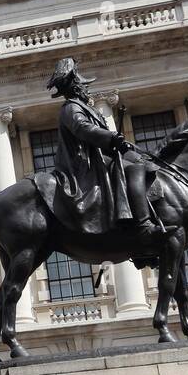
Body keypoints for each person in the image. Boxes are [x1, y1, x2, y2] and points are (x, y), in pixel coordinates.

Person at [43, 57, 165, 246]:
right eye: (84, 85)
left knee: (141, 161)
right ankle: (143, 226)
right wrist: (110, 137)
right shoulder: (71, 108)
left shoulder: (87, 108)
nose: (87, 88)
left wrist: (122, 145)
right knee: (135, 170)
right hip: (85, 164)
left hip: (100, 158)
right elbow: (82, 128)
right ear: (76, 87)